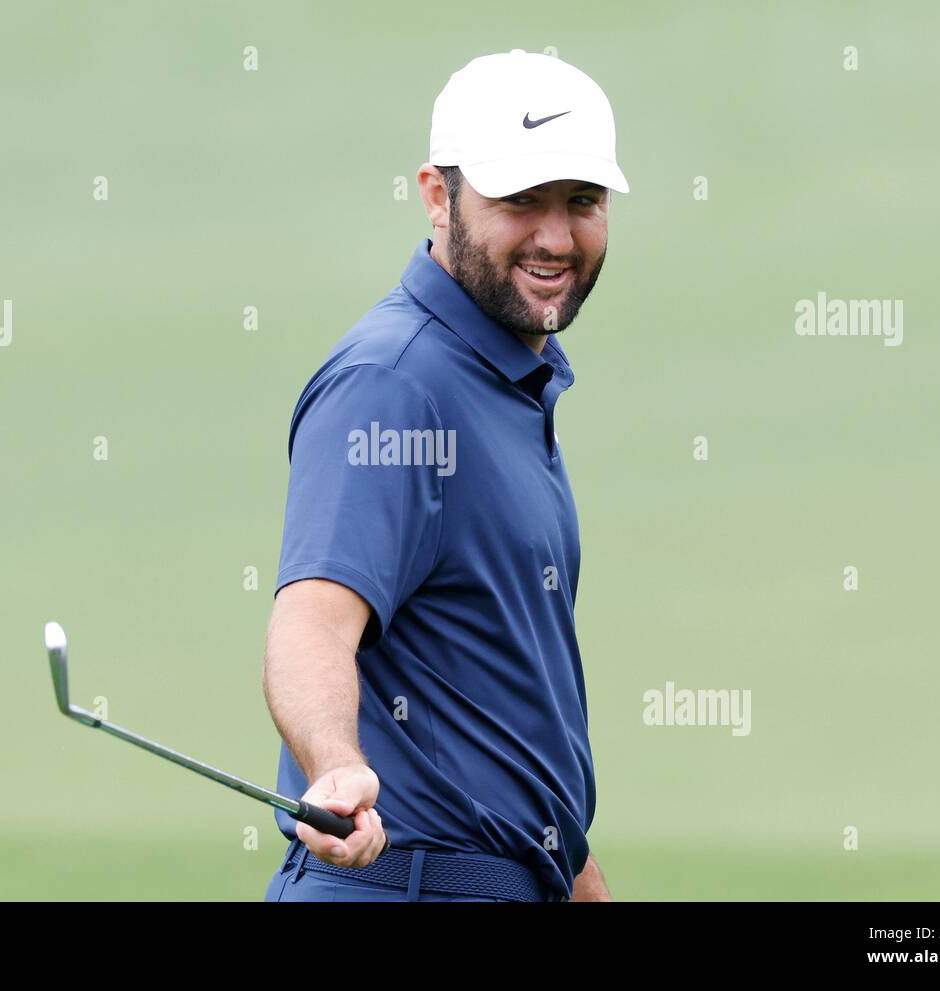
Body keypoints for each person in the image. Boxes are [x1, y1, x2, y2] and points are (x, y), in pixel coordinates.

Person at [262, 49, 627, 902]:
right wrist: (336, 762)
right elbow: (312, 616)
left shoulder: (508, 380)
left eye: (582, 201)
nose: (555, 235)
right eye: (520, 200)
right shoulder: (394, 383)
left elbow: (502, 711)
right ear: (437, 194)